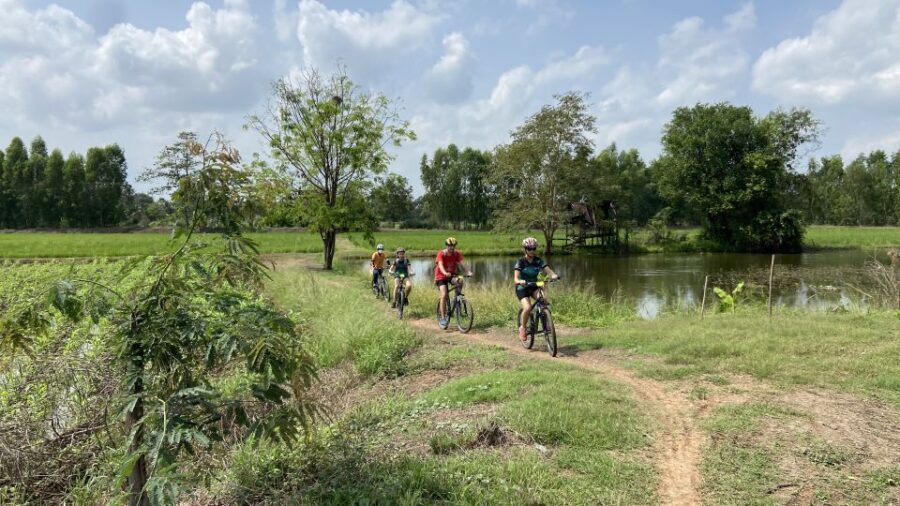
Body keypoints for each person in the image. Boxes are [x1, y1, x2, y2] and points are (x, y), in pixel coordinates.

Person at [514, 237, 559, 342]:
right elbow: (515, 279)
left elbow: (548, 271)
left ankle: (546, 323)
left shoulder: (538, 260)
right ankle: (523, 328)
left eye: (534, 248)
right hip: (522, 288)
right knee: (528, 308)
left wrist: (553, 275)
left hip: (534, 286)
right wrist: (520, 281)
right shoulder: (521, 261)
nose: (532, 251)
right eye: (530, 249)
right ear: (525, 249)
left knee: (544, 301)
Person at [434, 237, 473, 327]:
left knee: (460, 280)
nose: (451, 248)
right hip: (440, 276)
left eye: (453, 246)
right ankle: (443, 318)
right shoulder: (441, 254)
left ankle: (457, 297)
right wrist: (444, 273)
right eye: (450, 246)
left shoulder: (456, 254)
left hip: (450, 275)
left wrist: (468, 271)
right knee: (444, 295)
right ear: (446, 246)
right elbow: (440, 265)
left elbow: (463, 263)